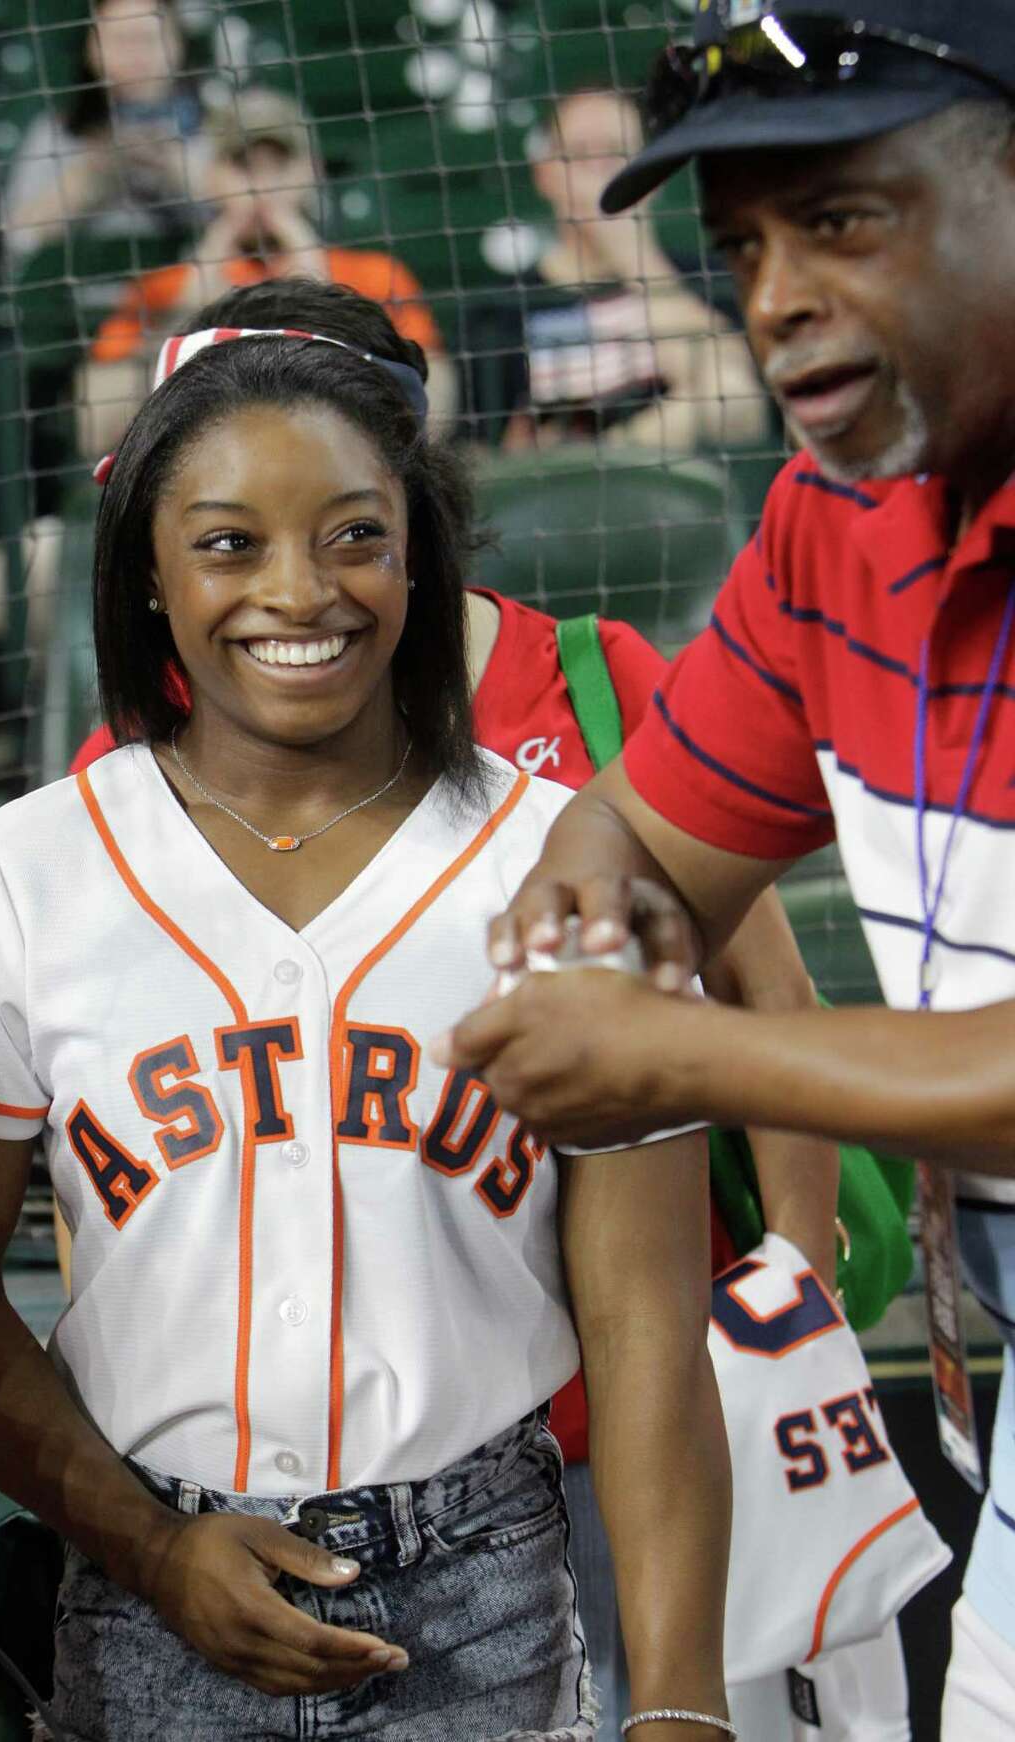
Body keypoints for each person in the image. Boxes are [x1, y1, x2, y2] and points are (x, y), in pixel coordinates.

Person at [0, 279, 732, 1742]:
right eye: (227, 544)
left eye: (355, 537)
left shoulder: (558, 862)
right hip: (151, 1581)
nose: (299, 590)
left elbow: (648, 1318)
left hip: (485, 1585)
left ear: (416, 554)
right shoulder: (20, 877)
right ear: (148, 570)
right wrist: (146, 1542)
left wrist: (686, 1710)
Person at [432, 5, 1015, 1736]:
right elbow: (639, 827)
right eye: (745, 244)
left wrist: (671, 1055)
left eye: (843, 221)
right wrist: (579, 906)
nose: (773, 298)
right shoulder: (840, 518)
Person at [78, 87, 455, 462]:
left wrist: (325, 301)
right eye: (244, 166)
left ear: (311, 171)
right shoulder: (163, 288)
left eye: (279, 165)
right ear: (213, 177)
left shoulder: (373, 274)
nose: (262, 185)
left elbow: (436, 413)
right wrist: (184, 318)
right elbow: (94, 429)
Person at [457, 87, 768, 453]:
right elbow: (478, 454)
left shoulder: (709, 277)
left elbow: (739, 412)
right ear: (544, 174)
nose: (600, 173)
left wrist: (632, 254)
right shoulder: (498, 311)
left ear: (653, 175)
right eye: (581, 154)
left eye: (616, 154)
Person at [0, 0, 205, 261]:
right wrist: (95, 171)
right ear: (92, 48)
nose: (136, 55)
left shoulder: (216, 123)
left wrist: (178, 172)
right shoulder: (57, 132)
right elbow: (17, 238)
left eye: (148, 38)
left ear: (178, 43)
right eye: (121, 40)